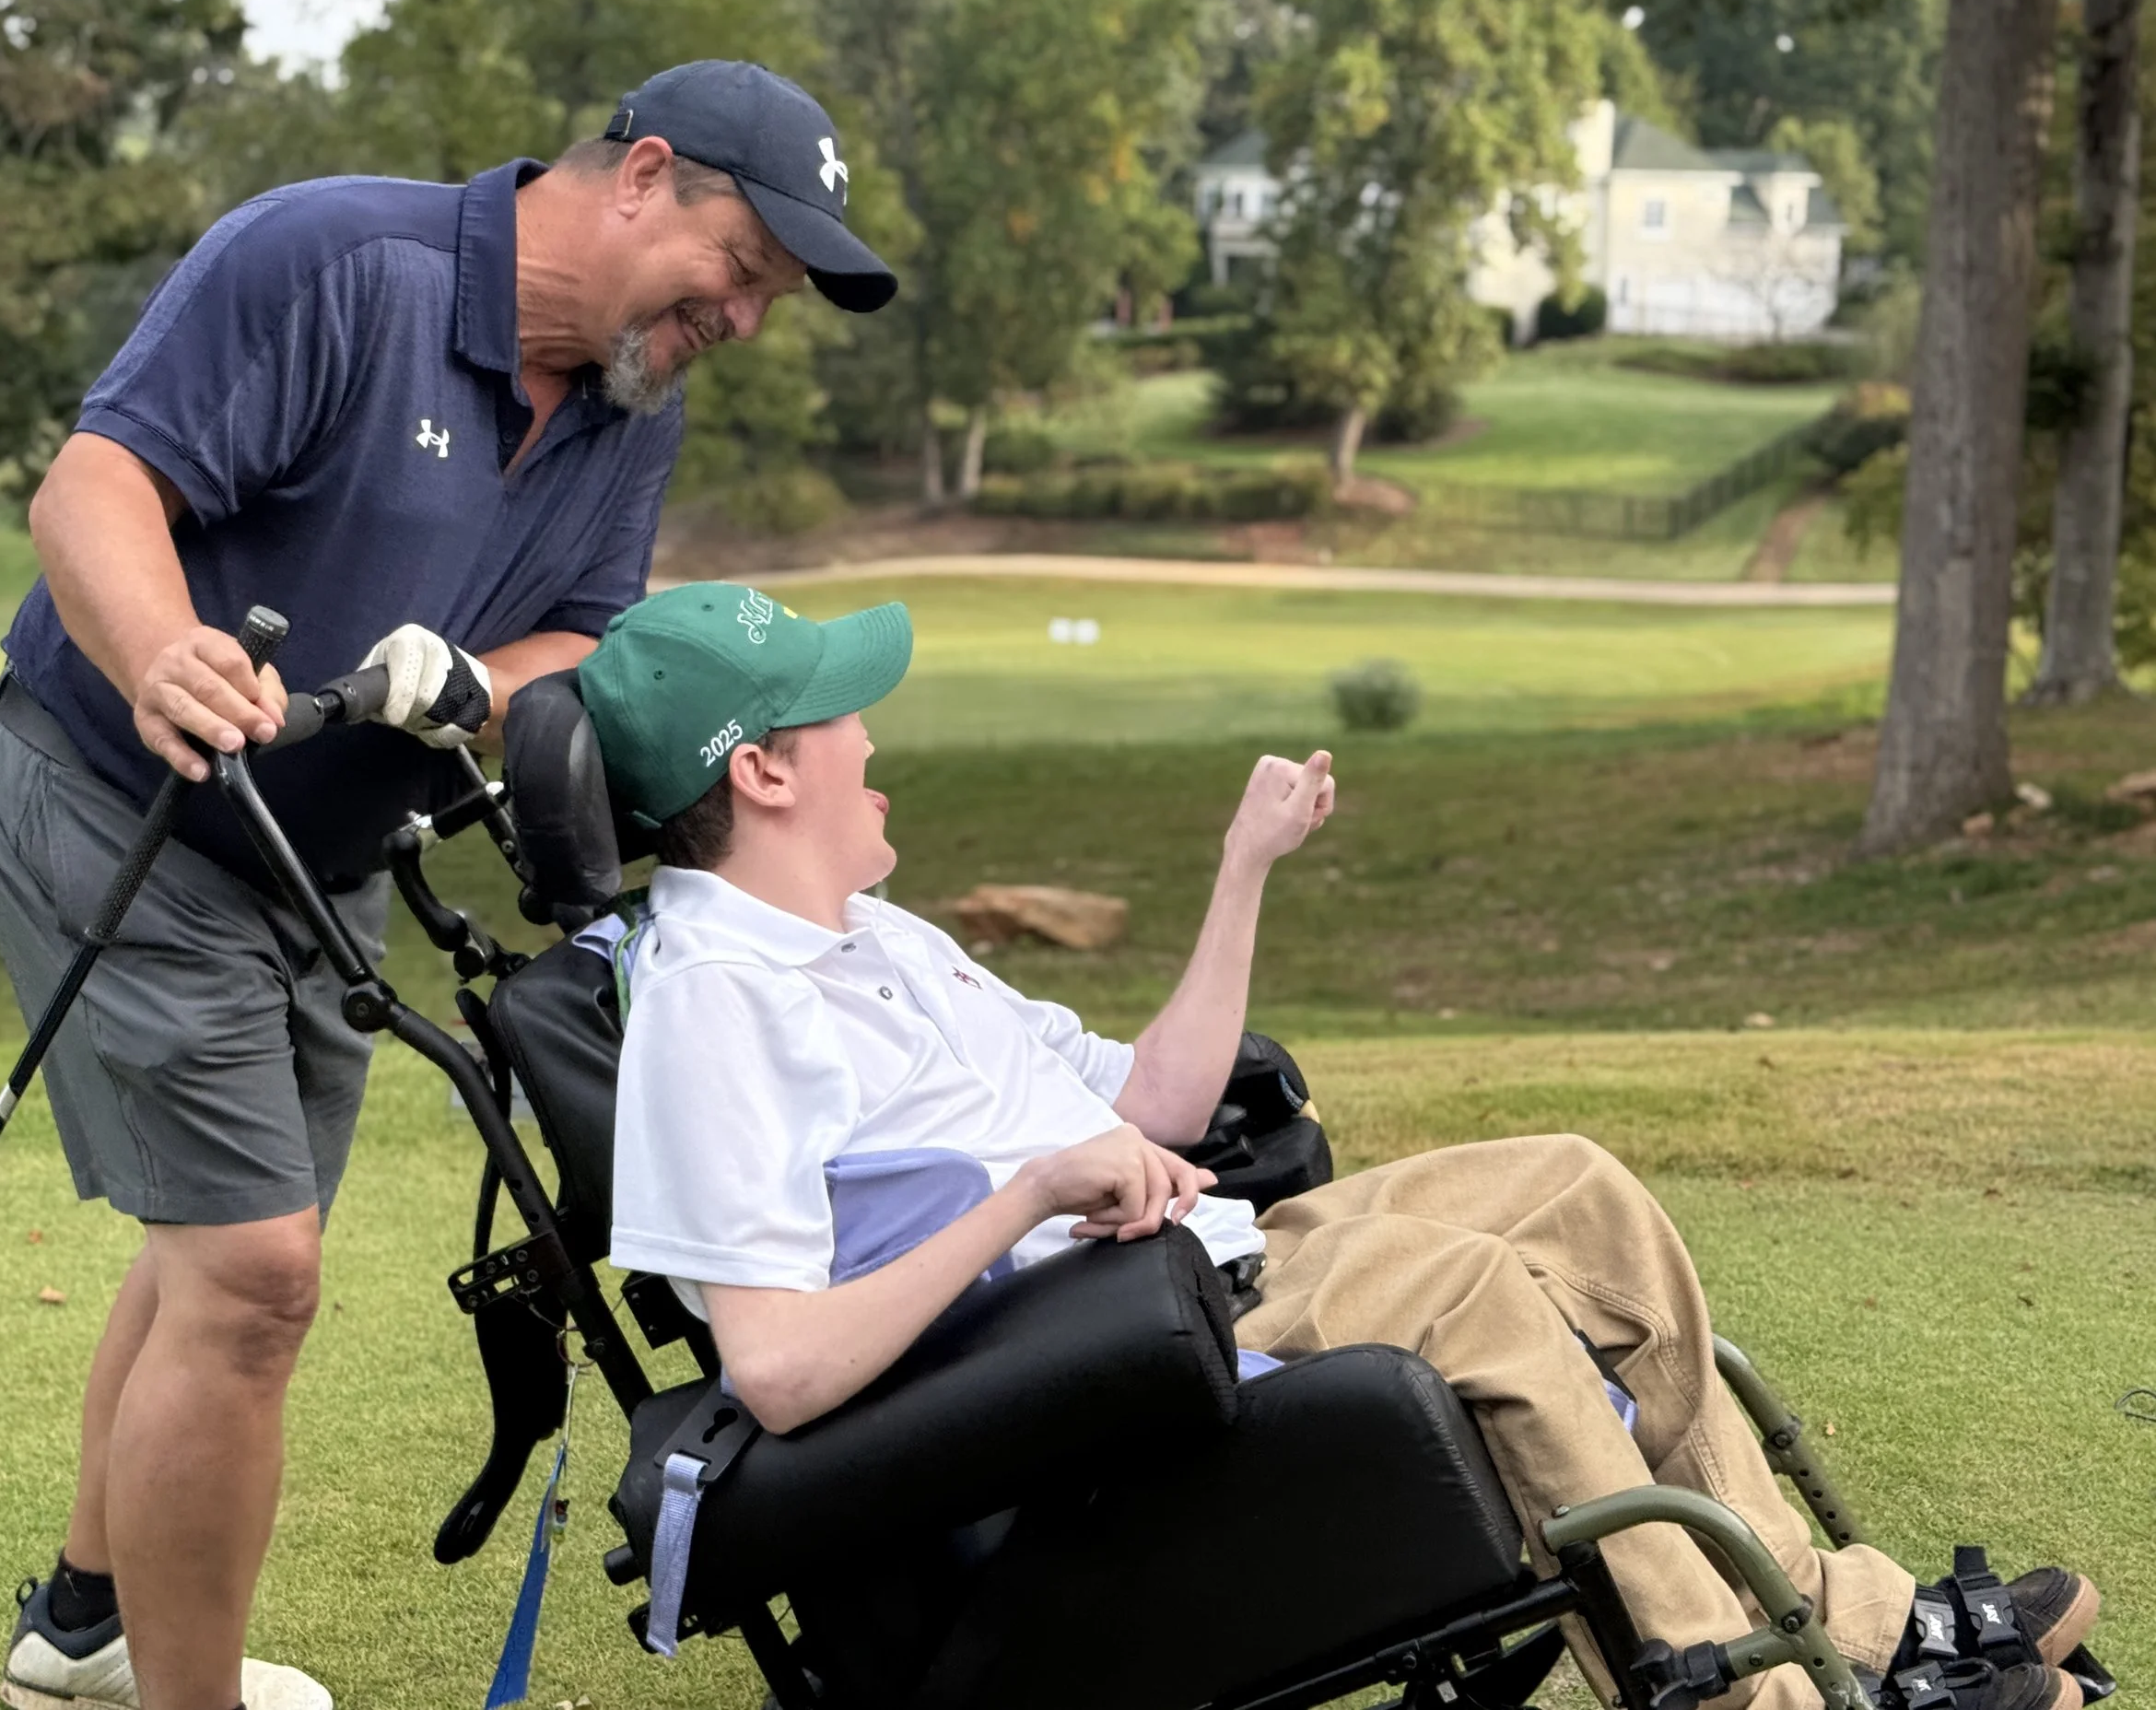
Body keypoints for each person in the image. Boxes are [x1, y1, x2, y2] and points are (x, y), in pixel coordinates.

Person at [577, 582, 2103, 1710]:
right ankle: (1753, 1691)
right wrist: (1035, 1191)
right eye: (838, 708)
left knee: (1575, 1186)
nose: (868, 730)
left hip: (1176, 1255)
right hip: (1083, 1351)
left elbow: (1157, 1104)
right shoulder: (716, 1009)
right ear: (762, 770)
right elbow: (774, 1368)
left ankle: (1844, 1612)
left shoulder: (874, 936)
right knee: (1468, 1292)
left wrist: (1244, 872)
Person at [0, 61, 895, 1710]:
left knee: (219, 1257)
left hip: (319, 852)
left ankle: (83, 1626)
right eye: (740, 264)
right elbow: (93, 488)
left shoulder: (627, 408)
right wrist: (168, 648)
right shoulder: (333, 262)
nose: (744, 313)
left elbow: (580, 648)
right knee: (253, 1274)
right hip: (112, 800)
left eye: (772, 297)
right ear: (641, 174)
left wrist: (466, 679)